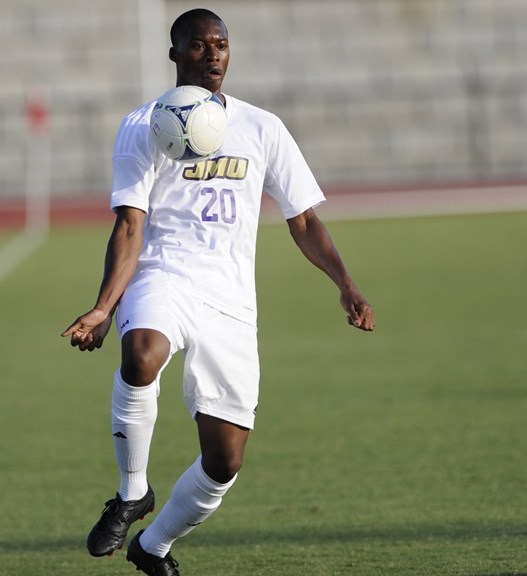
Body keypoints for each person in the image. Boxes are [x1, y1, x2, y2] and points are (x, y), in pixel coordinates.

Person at [62, 9, 374, 575]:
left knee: (224, 461)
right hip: (164, 274)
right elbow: (130, 224)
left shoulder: (262, 127)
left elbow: (302, 220)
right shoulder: (141, 126)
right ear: (175, 54)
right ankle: (132, 489)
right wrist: (105, 306)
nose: (213, 56)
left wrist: (346, 283)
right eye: (200, 46)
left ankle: (152, 545)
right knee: (140, 354)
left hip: (231, 299)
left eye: (221, 45)